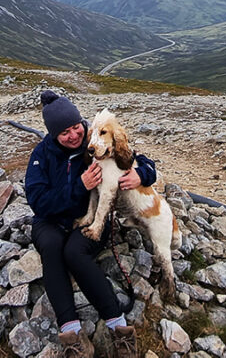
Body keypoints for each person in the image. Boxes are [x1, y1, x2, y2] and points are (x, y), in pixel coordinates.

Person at [25, 90, 158, 358]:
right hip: (51, 220)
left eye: (76, 127)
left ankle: (120, 329)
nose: (74, 136)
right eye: (64, 133)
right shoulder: (42, 154)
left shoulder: (96, 137)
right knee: (51, 247)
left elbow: (142, 161)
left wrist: (141, 175)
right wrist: (80, 186)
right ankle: (72, 336)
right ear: (53, 135)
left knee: (74, 253)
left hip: (94, 216)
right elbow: (38, 201)